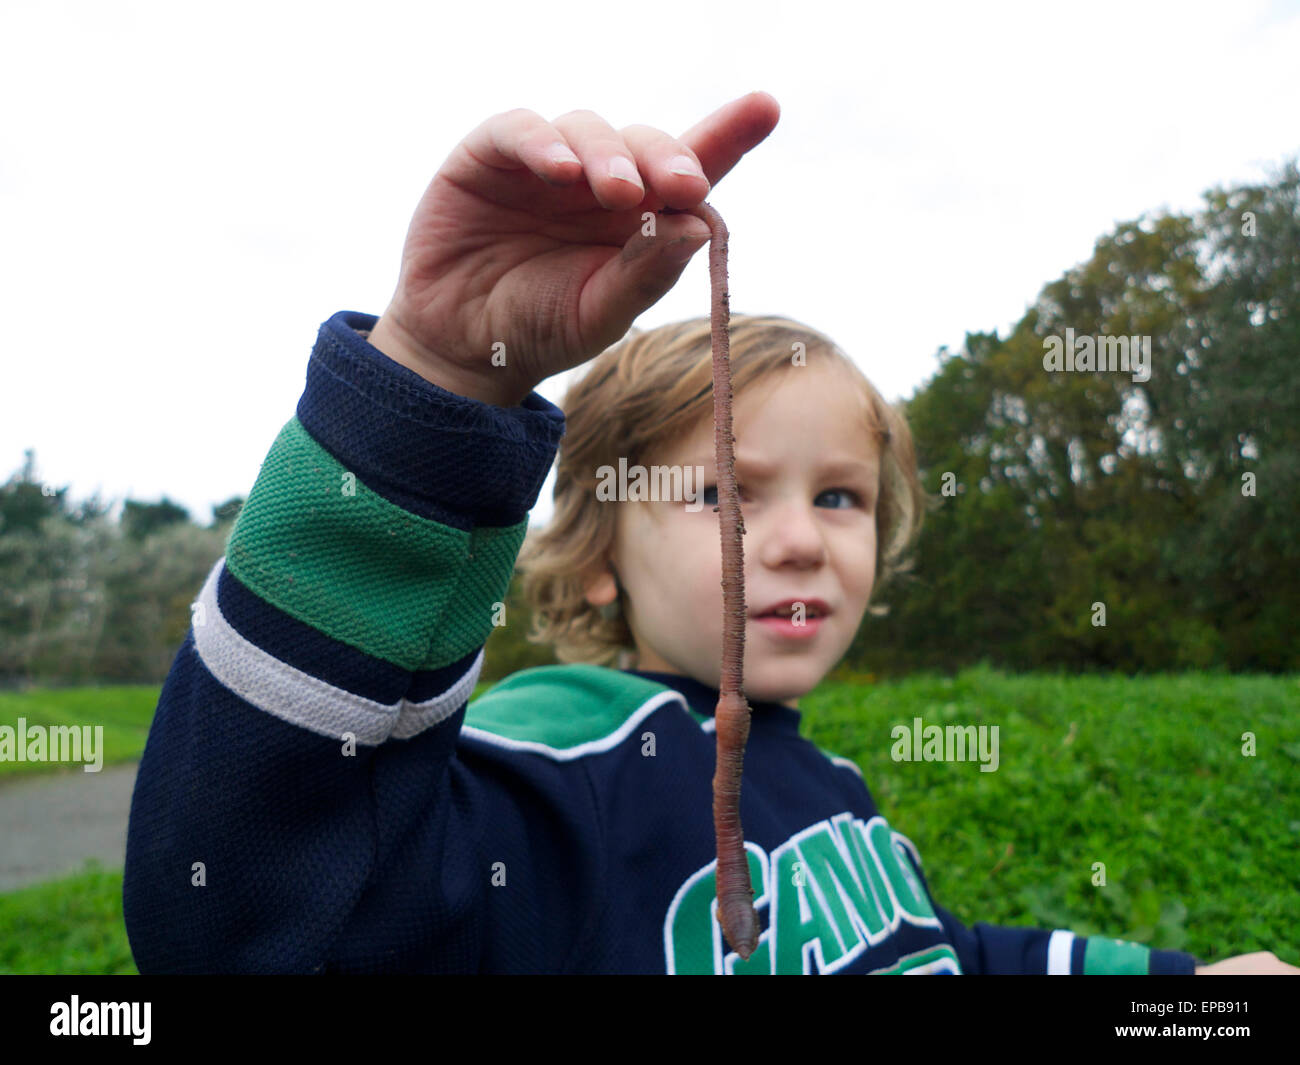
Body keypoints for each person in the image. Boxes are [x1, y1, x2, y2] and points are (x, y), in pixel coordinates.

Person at [123, 91, 1296, 975]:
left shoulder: (829, 785)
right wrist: (438, 380)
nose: (795, 541)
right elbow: (262, 911)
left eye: (839, 497)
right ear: (589, 566)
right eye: (723, 495)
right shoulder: (561, 761)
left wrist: (1181, 989)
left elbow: (941, 953)